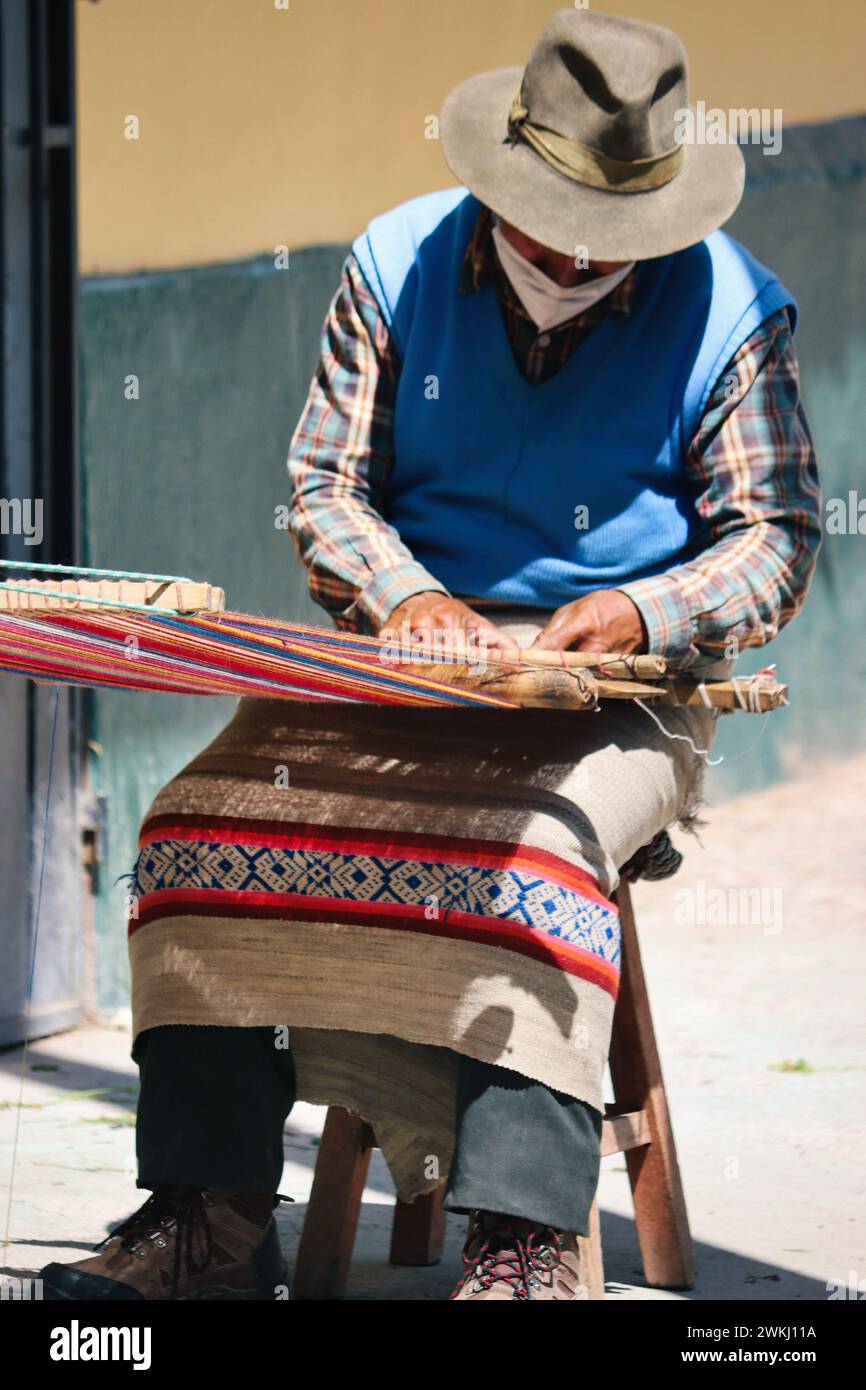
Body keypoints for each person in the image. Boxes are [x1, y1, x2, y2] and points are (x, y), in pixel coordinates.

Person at [41, 8, 821, 1302]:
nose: (570, 255)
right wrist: (405, 599)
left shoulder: (733, 309)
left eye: (603, 237)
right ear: (497, 180)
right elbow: (325, 488)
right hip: (403, 658)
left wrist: (640, 612)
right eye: (545, 221)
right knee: (191, 826)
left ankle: (517, 1243)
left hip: (622, 691)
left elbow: (774, 541)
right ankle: (209, 1210)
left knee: (534, 857)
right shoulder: (396, 262)